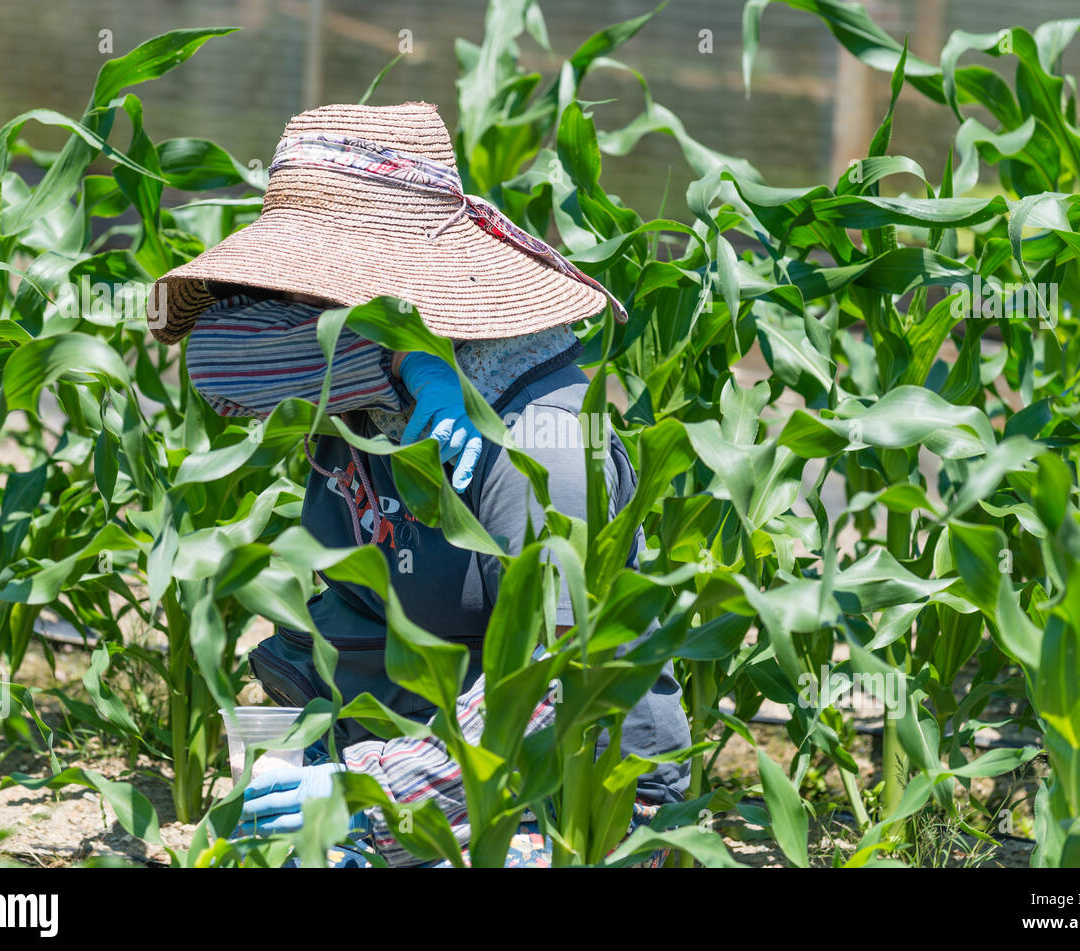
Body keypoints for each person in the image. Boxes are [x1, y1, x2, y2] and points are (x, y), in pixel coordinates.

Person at [148, 102, 690, 867]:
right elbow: (216, 361)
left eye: (317, 293)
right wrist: (406, 359)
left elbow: (560, 694)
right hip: (405, 751)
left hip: (570, 800)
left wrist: (361, 796)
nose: (292, 317)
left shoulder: (549, 445)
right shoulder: (364, 389)